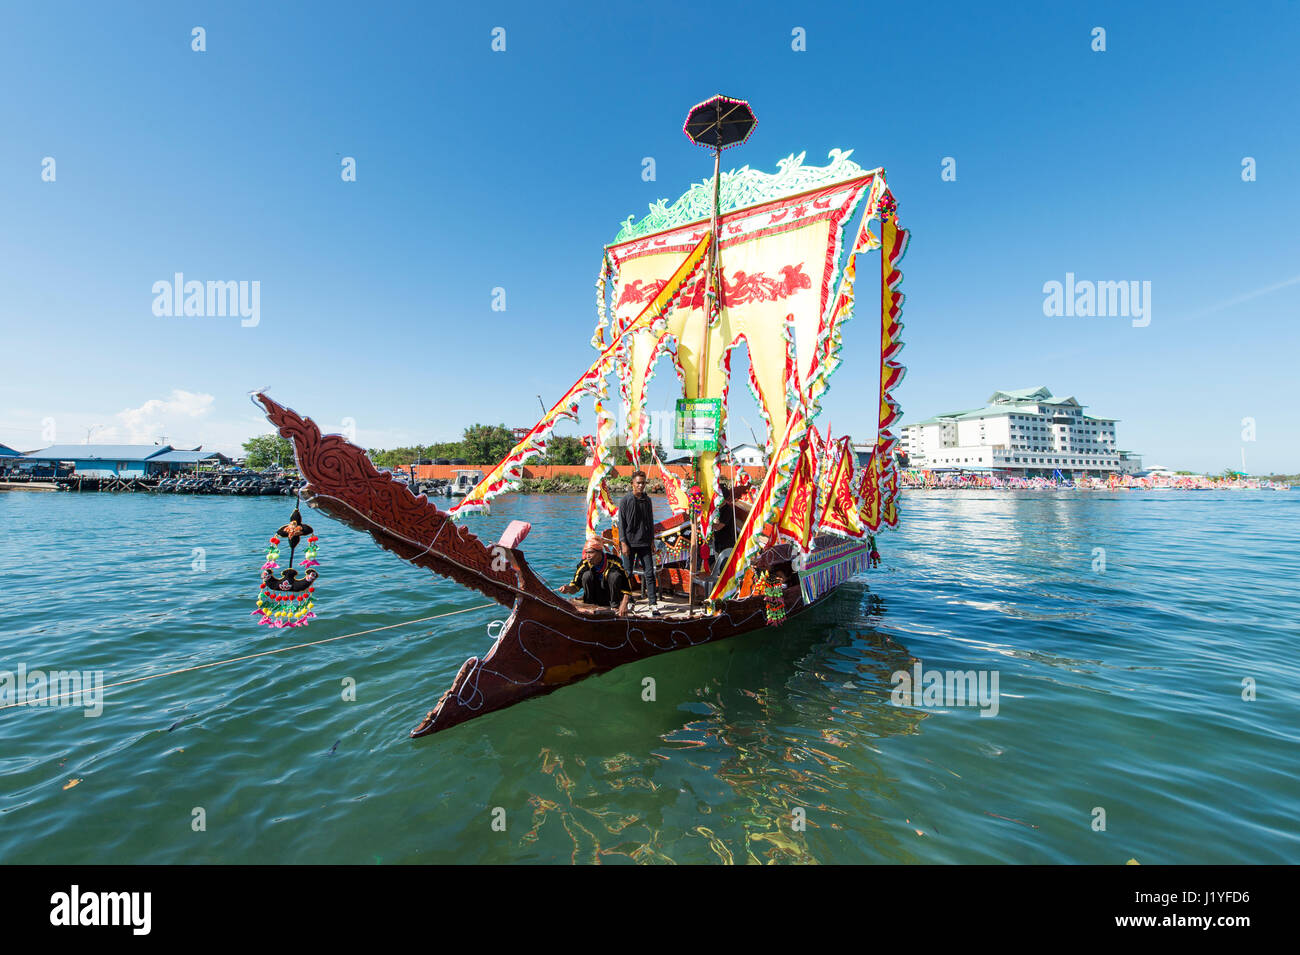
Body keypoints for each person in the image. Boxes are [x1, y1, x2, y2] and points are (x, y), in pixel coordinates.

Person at [617, 470, 659, 616]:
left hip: (645, 543)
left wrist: (652, 540)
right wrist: (623, 543)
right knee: (627, 573)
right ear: (632, 484)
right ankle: (626, 601)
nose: (641, 486)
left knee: (650, 573)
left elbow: (650, 521)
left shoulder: (647, 500)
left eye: (643, 483)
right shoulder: (625, 501)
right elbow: (621, 523)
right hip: (629, 543)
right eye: (638, 483)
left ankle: (653, 603)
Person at [560, 538, 634, 615]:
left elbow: (627, 584)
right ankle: (589, 606)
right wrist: (568, 588)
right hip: (595, 599)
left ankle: (615, 608)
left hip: (611, 597)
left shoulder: (614, 562)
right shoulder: (584, 565)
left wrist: (624, 603)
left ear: (600, 552)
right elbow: (575, 587)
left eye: (591, 552)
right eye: (586, 553)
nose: (587, 556)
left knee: (614, 575)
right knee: (586, 575)